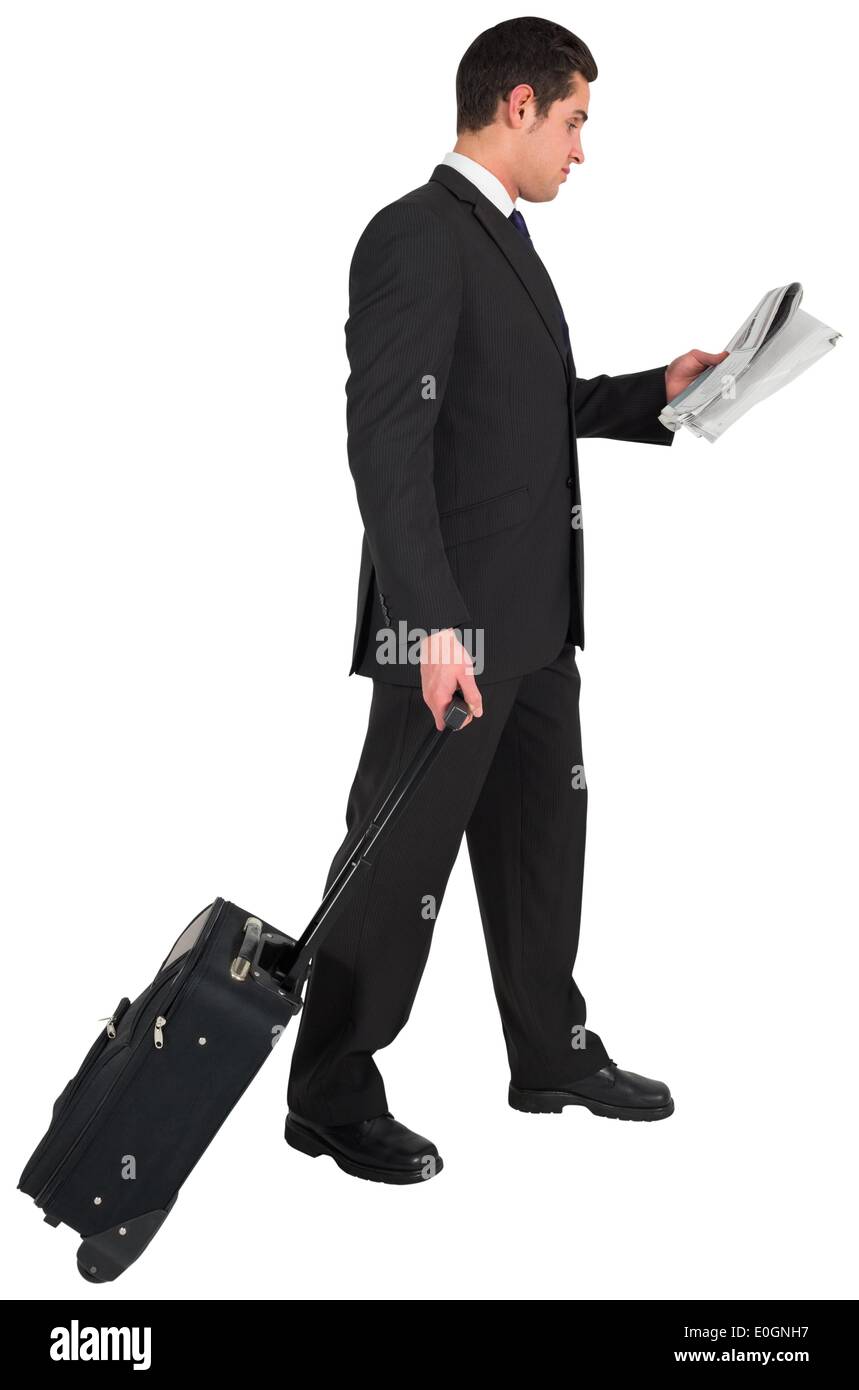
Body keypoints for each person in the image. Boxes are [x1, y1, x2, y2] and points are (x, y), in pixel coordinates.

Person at [285, 16, 727, 1183]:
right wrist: (431, 623)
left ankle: (552, 1051)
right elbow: (385, 443)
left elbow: (526, 409)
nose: (583, 149)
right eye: (576, 120)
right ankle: (328, 1093)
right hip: (452, 626)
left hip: (532, 619)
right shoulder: (414, 235)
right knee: (397, 862)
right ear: (518, 106)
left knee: (543, 843)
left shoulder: (505, 240)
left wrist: (657, 392)